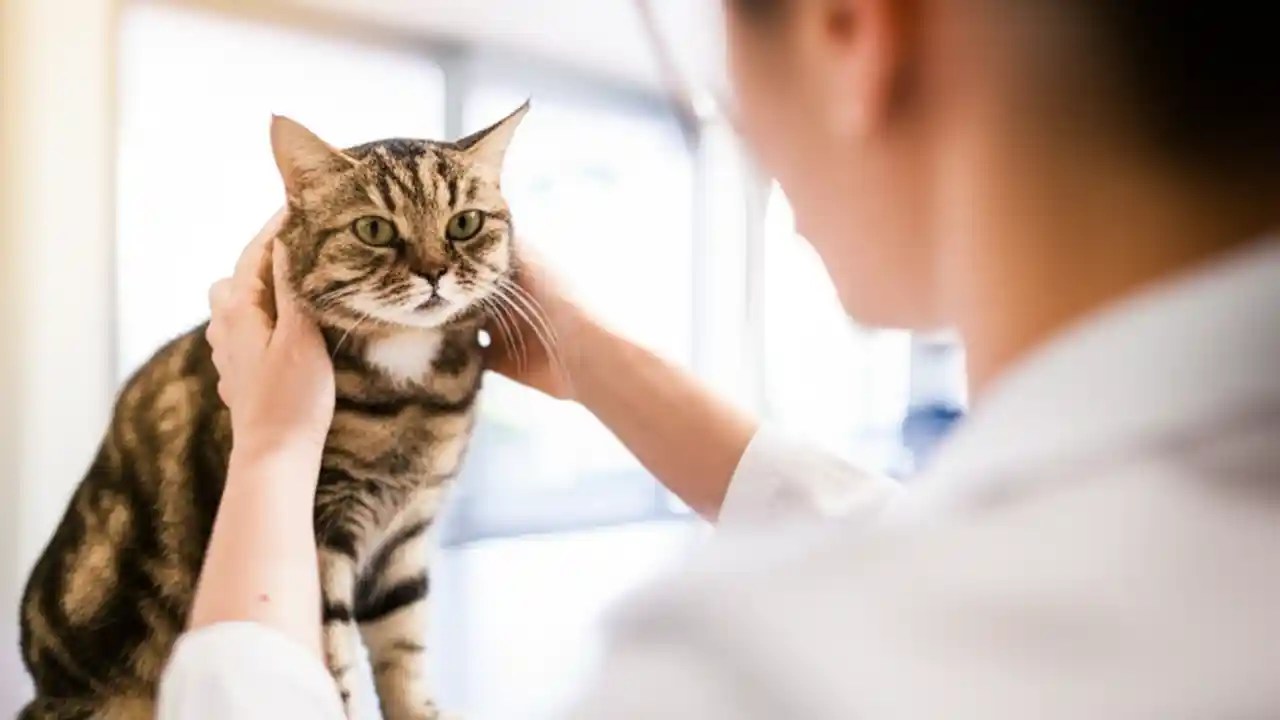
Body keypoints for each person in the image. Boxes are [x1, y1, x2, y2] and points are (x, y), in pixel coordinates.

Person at [160, 0, 1280, 717]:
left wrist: (267, 453)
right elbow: (879, 524)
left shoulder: (755, 670)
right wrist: (589, 356)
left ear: (850, 33)